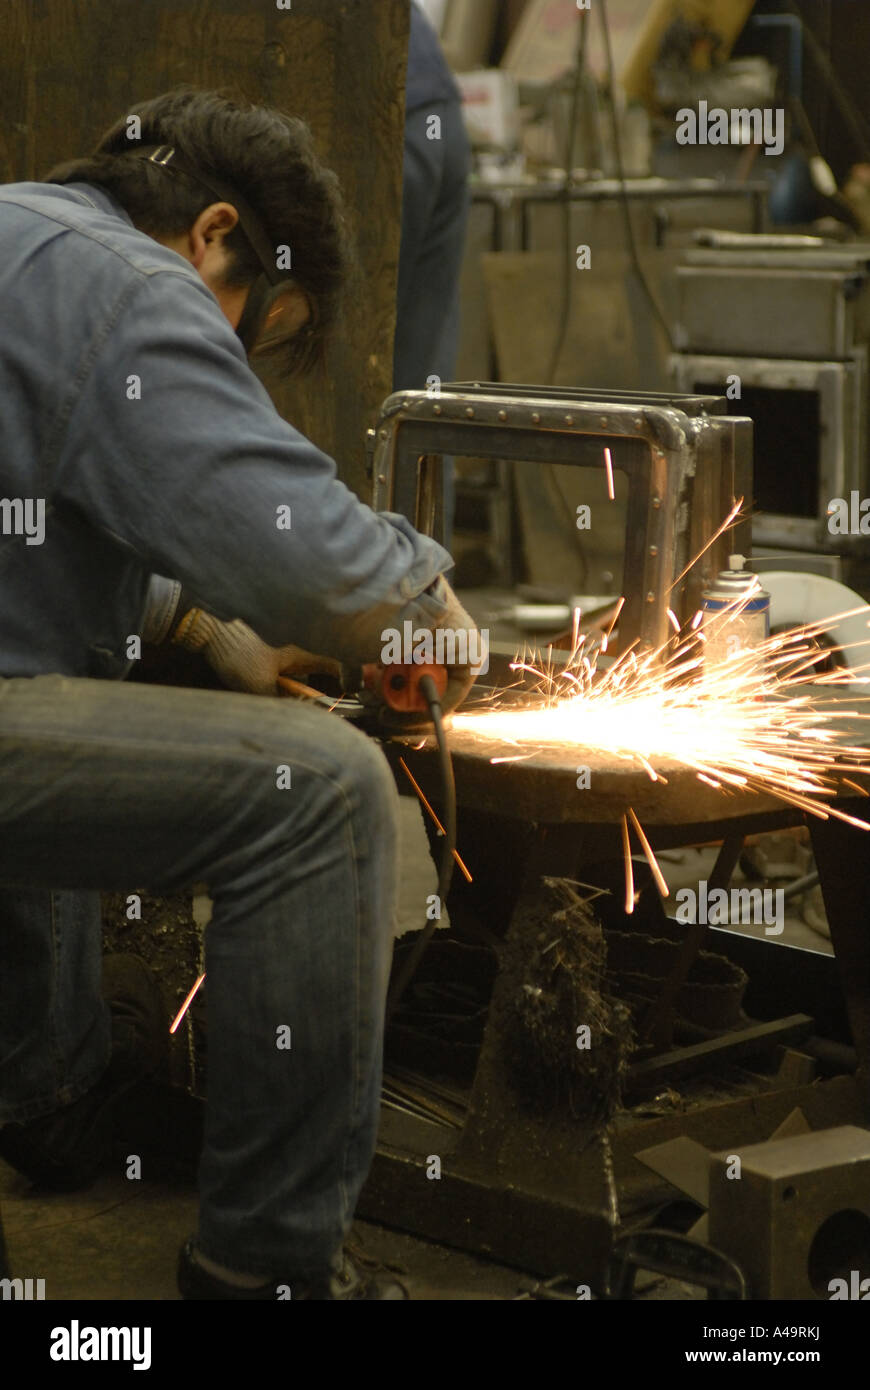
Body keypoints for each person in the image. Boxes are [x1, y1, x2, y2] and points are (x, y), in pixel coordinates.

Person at [0, 87, 477, 1300]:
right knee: (319, 793)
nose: (229, 372)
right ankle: (269, 1273)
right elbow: (316, 564)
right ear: (217, 236)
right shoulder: (127, 285)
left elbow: (33, 547)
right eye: (247, 346)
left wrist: (210, 629)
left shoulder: (24, 243)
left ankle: (43, 1093)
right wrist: (432, 614)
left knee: (67, 665)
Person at [394, 1, 472, 544]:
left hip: (385, 118)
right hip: (435, 112)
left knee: (335, 372)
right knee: (418, 393)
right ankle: (426, 606)